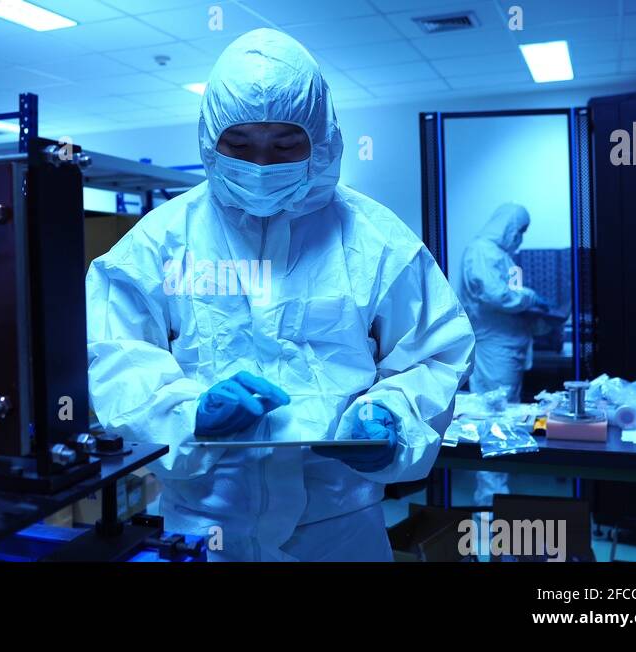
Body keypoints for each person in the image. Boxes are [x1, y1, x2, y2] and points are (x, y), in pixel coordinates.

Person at [86, 28, 475, 561]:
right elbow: (114, 355)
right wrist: (184, 415)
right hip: (204, 524)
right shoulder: (159, 241)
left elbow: (435, 351)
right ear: (210, 140)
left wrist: (395, 416)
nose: (262, 166)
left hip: (339, 530)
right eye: (240, 145)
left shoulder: (375, 238)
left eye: (286, 144)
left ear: (321, 137)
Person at [457, 203, 548, 505]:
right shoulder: (482, 251)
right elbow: (496, 295)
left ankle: (497, 500)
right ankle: (490, 504)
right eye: (519, 231)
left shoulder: (501, 255)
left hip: (507, 349)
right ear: (507, 226)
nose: (520, 237)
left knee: (504, 422)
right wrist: (531, 298)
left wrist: (533, 314)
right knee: (494, 423)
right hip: (495, 350)